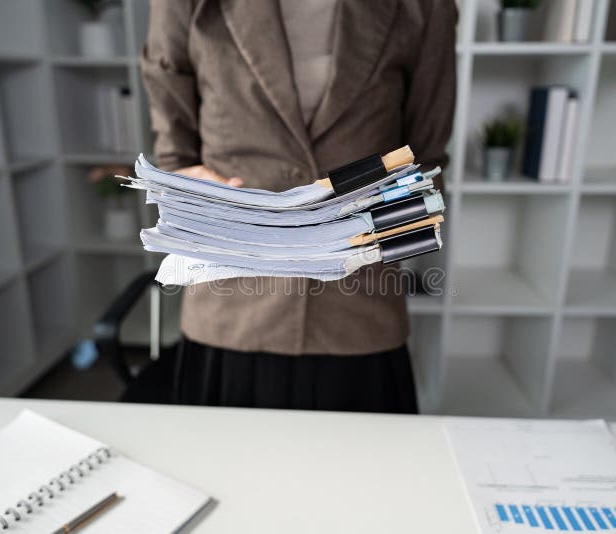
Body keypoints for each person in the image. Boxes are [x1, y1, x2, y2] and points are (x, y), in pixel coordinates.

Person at [141, 0, 456, 413]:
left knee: (365, 473)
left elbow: (425, 164)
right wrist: (187, 187)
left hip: (360, 311)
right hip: (231, 309)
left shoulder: (424, 8)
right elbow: (175, 156)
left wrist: (381, 228)